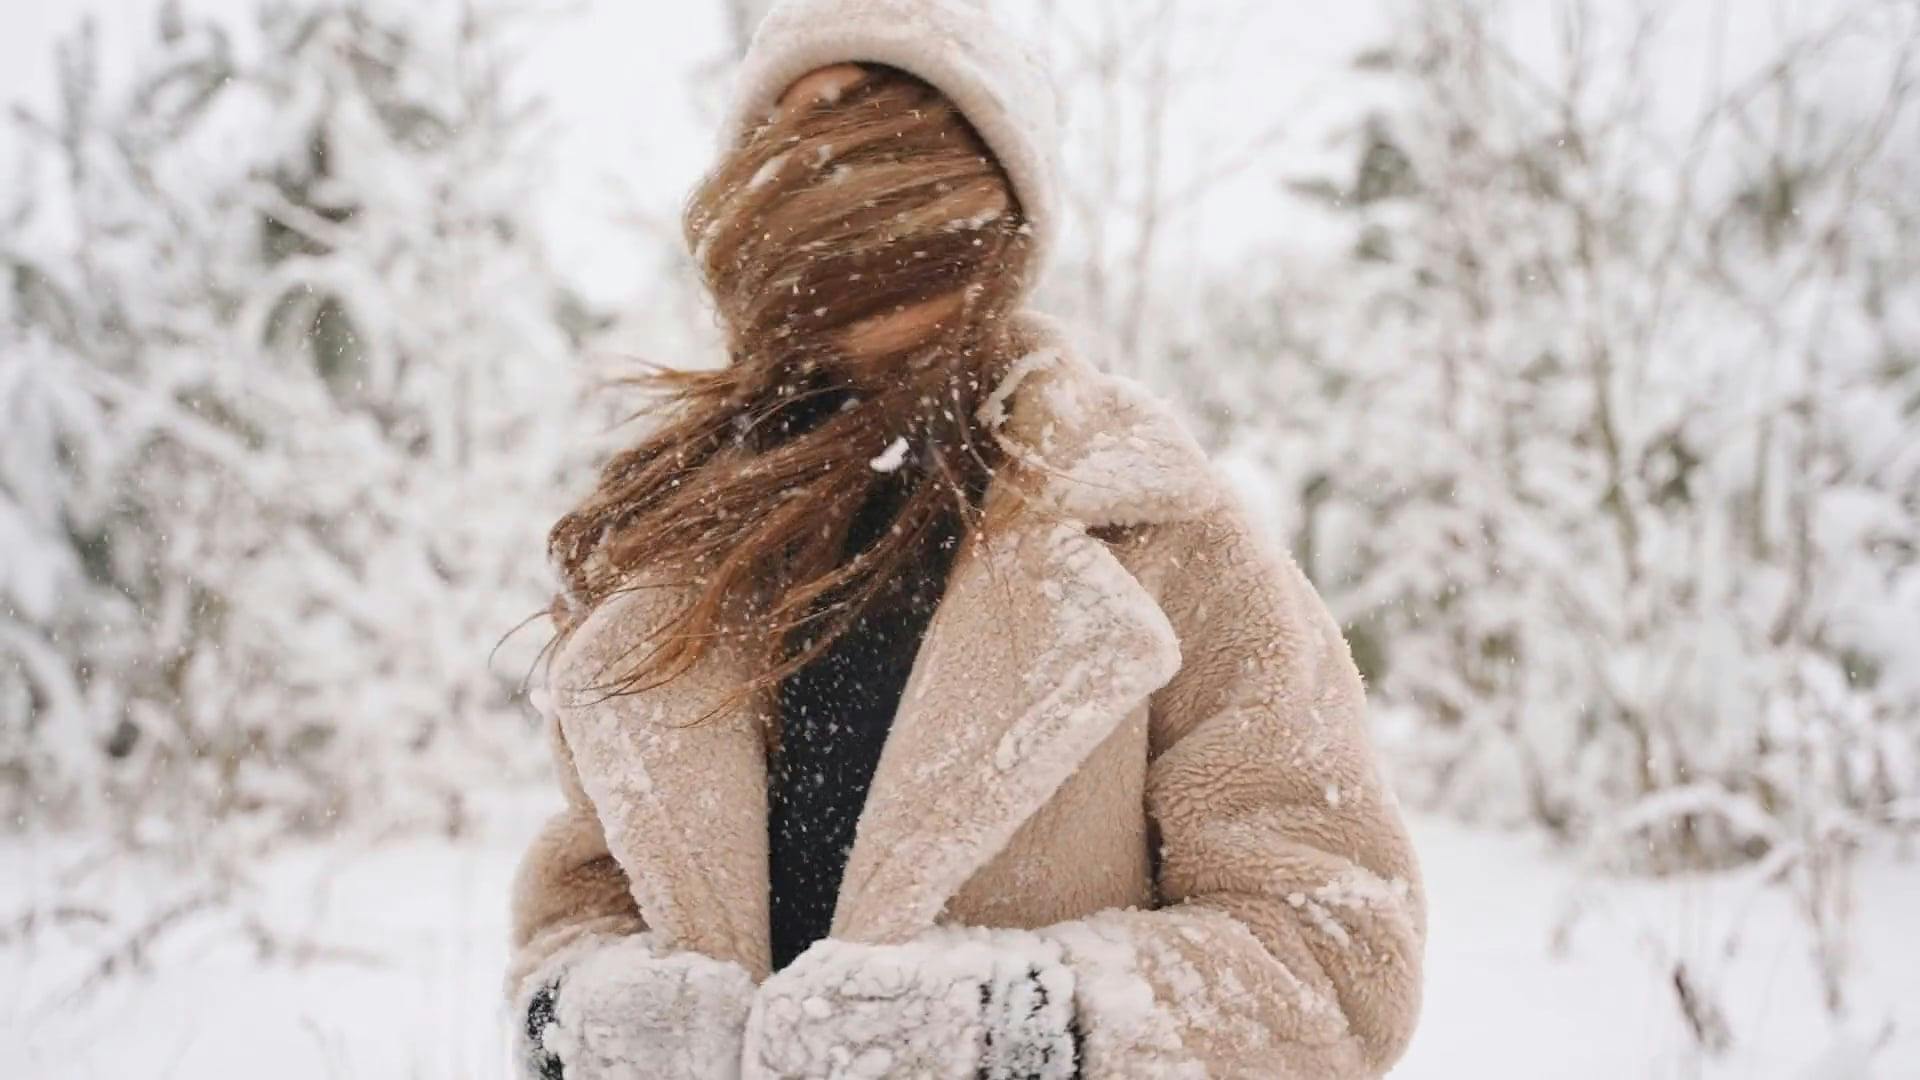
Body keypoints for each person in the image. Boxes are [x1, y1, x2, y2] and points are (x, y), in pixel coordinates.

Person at [504, 0, 1425, 1076]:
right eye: (804, 139)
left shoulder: (1161, 541)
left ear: (993, 206)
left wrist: (1023, 1030)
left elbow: (1337, 948)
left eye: (890, 137)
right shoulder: (675, 553)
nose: (840, 185)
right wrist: (585, 1013)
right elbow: (582, 904)